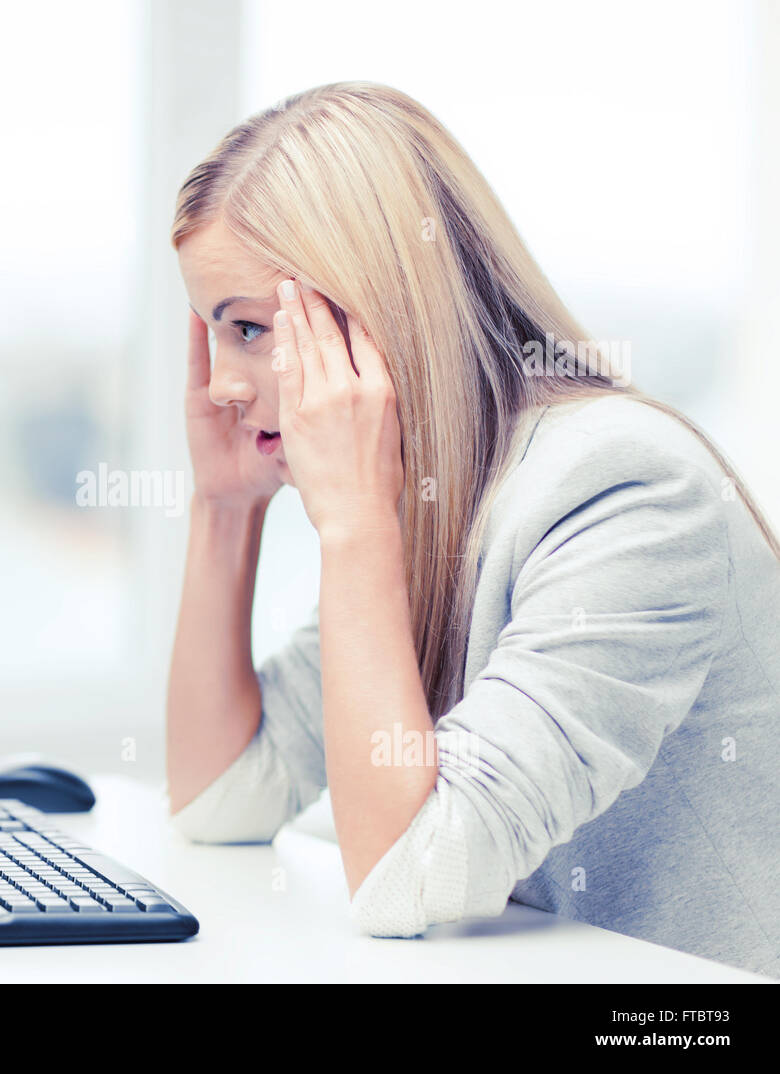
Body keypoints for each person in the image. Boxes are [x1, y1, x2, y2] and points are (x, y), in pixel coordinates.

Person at [165, 81, 780, 978]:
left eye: (251, 329)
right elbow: (221, 798)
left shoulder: (624, 487)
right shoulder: (438, 496)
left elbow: (410, 876)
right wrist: (225, 510)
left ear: (374, 309)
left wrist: (353, 527)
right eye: (216, 334)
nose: (221, 383)